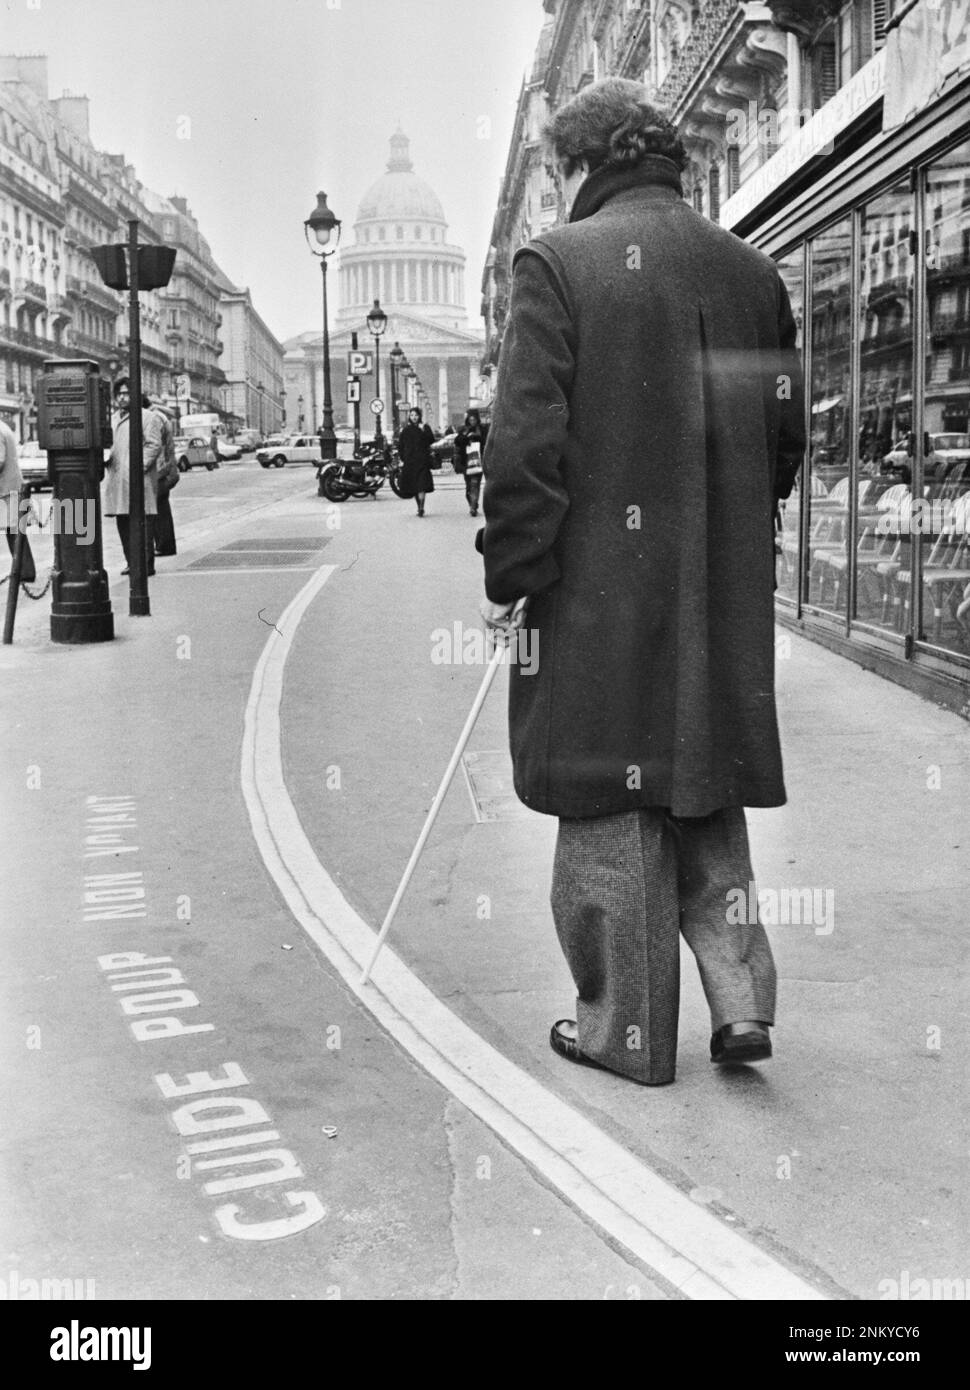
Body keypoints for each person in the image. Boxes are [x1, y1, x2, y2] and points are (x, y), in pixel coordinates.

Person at [478, 78, 805, 1086]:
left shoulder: (560, 264)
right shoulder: (749, 272)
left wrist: (514, 574)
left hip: (596, 589)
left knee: (609, 795)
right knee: (700, 774)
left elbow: (524, 448)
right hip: (717, 581)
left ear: (578, 165)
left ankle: (624, 1026)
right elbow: (782, 437)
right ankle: (740, 1000)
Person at [103, 377, 162, 576]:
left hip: (139, 479)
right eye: (119, 394)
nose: (122, 397)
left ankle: (145, 564)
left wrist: (138, 467)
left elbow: (154, 445)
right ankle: (131, 562)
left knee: (142, 522)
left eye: (126, 393)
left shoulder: (147, 417)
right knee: (124, 522)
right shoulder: (112, 418)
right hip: (118, 479)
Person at [0, 416, 36, 584]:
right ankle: (24, 571)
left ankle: (25, 571)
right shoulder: (4, 427)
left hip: (6, 489)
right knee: (14, 531)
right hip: (12, 486)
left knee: (14, 531)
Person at [147, 396, 178, 557]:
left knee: (158, 509)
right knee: (160, 508)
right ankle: (164, 545)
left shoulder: (154, 418)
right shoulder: (160, 415)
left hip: (160, 471)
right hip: (165, 469)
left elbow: (155, 445)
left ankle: (164, 545)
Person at [396, 407, 435, 517]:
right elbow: (401, 446)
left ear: (420, 416)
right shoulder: (406, 430)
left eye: (416, 415)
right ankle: (419, 506)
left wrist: (424, 430)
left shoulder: (424, 427)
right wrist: (404, 458)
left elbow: (431, 440)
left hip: (422, 461)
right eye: (412, 415)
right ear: (409, 417)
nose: (414, 417)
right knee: (414, 486)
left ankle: (421, 507)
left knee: (421, 485)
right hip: (410, 462)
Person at [454, 409, 489, 516]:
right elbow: (457, 442)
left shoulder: (483, 429)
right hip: (466, 462)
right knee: (469, 486)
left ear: (477, 419)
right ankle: (472, 502)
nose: (472, 421)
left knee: (475, 484)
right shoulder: (463, 429)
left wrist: (477, 437)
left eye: (474, 419)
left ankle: (473, 507)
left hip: (479, 460)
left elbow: (487, 441)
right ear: (467, 419)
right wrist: (466, 437)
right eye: (470, 419)